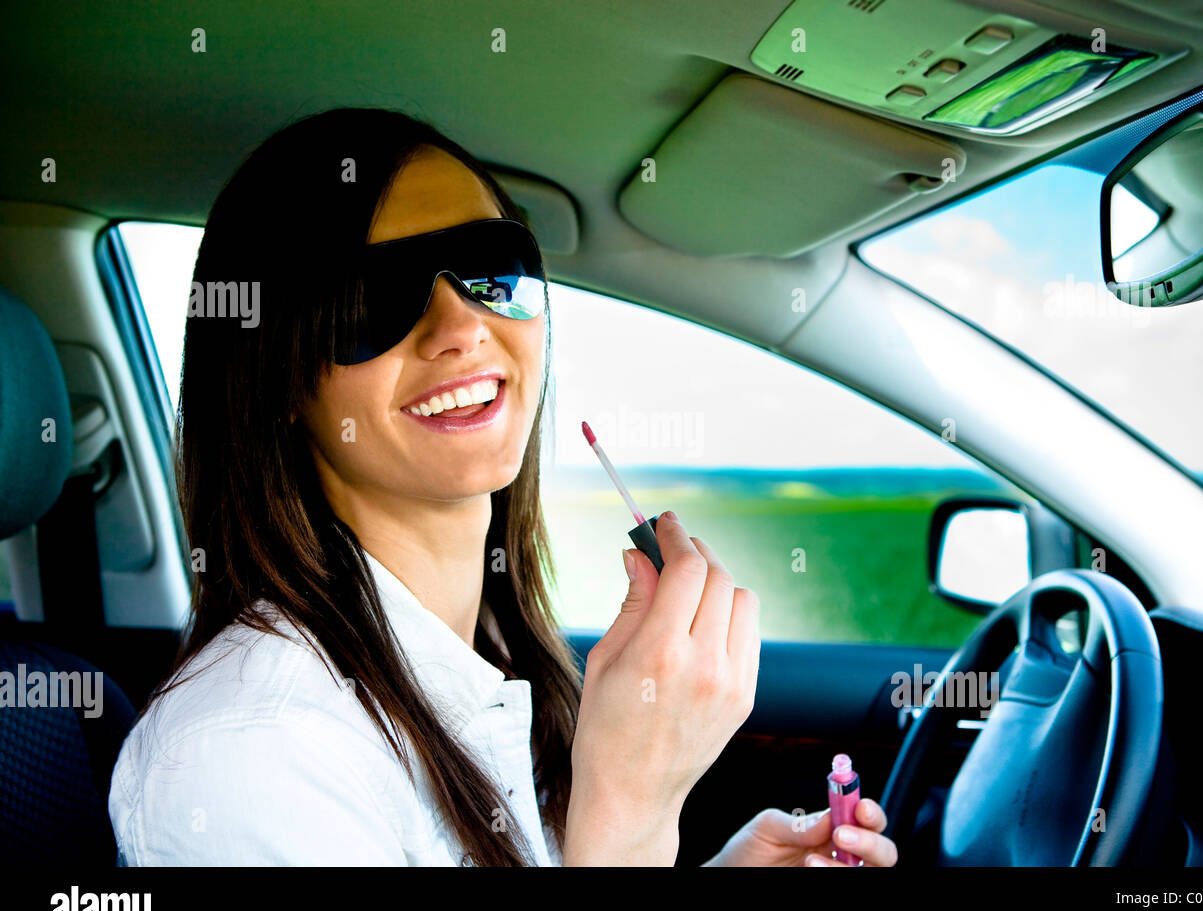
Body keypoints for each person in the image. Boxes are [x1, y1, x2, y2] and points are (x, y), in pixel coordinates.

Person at [108, 107, 898, 867]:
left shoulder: (499, 661)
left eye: (491, 269)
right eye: (369, 297)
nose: (461, 328)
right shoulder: (249, 754)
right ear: (275, 376)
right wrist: (631, 809)